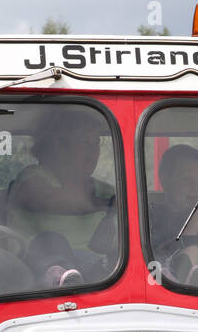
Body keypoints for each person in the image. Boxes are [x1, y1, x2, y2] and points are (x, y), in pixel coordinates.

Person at [7, 112, 117, 275]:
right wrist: (108, 204)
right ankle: (60, 275)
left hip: (97, 275)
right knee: (52, 241)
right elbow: (48, 200)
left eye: (96, 143)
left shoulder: (107, 191)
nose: (93, 150)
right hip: (32, 277)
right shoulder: (32, 178)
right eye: (84, 142)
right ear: (58, 146)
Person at [149, 143, 198, 279]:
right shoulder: (150, 215)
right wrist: (197, 218)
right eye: (187, 180)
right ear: (165, 180)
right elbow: (160, 259)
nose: (196, 189)